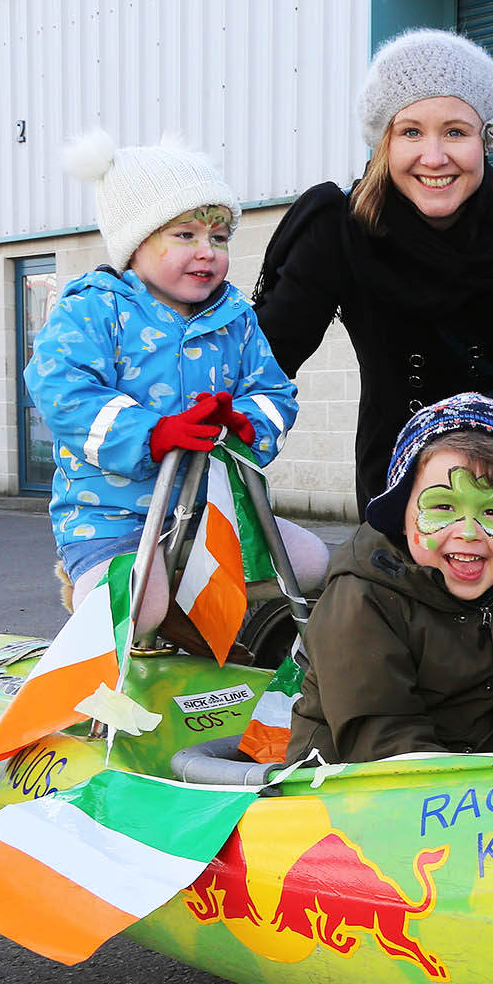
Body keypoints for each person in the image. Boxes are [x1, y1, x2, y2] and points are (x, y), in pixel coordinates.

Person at [253, 29, 493, 515]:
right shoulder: (344, 226)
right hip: (400, 486)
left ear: (485, 137)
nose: (434, 157)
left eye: (456, 132)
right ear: (385, 140)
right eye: (412, 131)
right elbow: (266, 357)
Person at [26, 130, 326, 619]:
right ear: (135, 243)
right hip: (111, 513)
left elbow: (273, 389)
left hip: (213, 511)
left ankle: (195, 616)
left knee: (312, 563)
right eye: (185, 235)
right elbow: (62, 389)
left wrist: (248, 423)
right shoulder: (95, 309)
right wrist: (153, 433)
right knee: (138, 609)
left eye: (219, 237)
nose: (207, 251)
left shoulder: (236, 317)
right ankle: (102, 603)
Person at [287, 394, 493, 764]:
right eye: (443, 506)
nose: (468, 533)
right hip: (344, 796)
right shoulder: (361, 598)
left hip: (470, 796)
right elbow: (381, 740)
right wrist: (474, 793)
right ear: (401, 514)